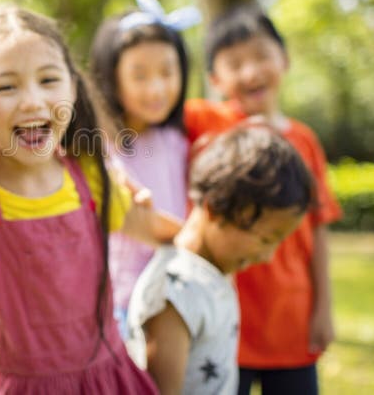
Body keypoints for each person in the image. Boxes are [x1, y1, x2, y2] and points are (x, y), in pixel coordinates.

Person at [0, 5, 183, 393]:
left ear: (72, 87)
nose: (32, 101)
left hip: (108, 380)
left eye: (48, 80)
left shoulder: (92, 176)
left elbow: (164, 234)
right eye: (6, 86)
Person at [183, 4, 342, 395]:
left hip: (291, 321)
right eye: (235, 64)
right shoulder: (207, 121)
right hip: (224, 321)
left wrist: (323, 309)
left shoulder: (305, 141)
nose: (250, 72)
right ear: (215, 79)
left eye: (261, 56)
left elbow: (318, 231)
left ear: (284, 60)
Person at [127, 125, 314, 395]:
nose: (268, 256)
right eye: (264, 239)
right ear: (215, 209)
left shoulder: (211, 270)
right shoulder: (174, 291)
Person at [90, 0, 199, 337]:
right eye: (139, 75)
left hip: (177, 302)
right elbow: (139, 223)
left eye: (168, 72)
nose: (156, 89)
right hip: (120, 307)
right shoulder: (100, 149)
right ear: (112, 76)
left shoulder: (178, 141)